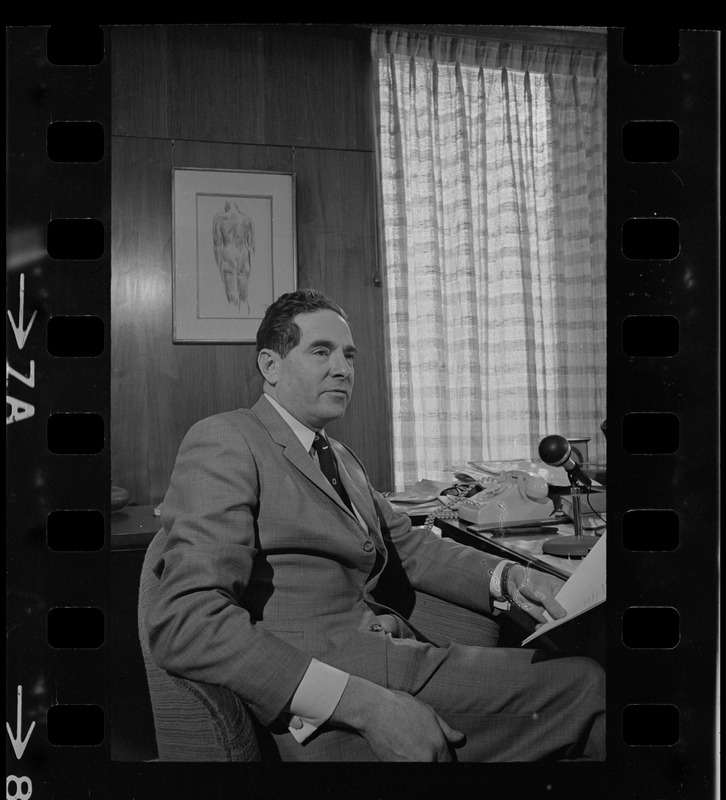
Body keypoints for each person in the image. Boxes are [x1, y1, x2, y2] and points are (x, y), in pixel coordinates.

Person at [147, 288, 605, 762]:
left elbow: (408, 545)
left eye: (348, 355)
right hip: (330, 702)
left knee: (580, 670)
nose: (342, 369)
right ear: (271, 365)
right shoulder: (227, 438)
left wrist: (508, 576)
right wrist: (364, 706)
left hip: (387, 657)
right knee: (589, 683)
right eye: (321, 352)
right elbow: (186, 621)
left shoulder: (339, 455)